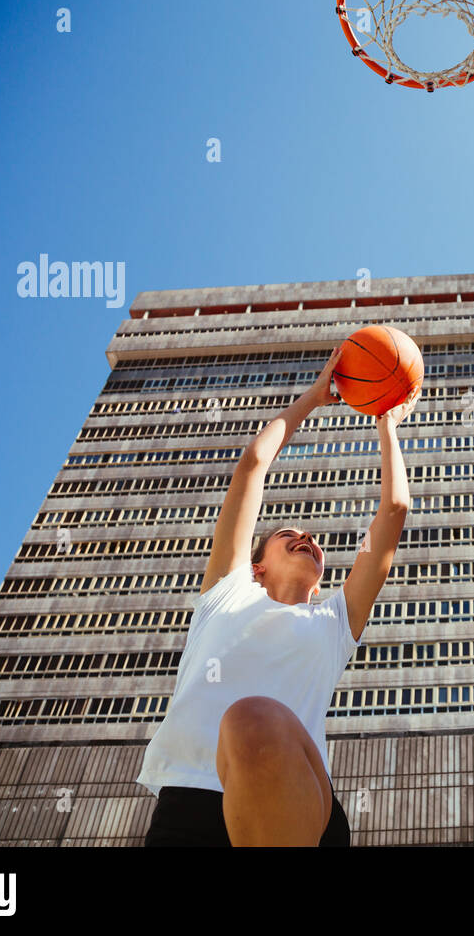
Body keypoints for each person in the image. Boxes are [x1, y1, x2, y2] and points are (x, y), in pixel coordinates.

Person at [138, 345, 418, 845]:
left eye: (314, 542)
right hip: (190, 800)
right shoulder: (228, 590)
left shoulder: (334, 623)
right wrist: (312, 398)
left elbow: (394, 510)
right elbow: (252, 464)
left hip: (296, 805)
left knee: (254, 718)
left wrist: (386, 423)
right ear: (257, 563)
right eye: (291, 534)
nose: (307, 538)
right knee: (248, 718)